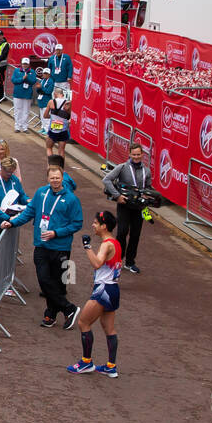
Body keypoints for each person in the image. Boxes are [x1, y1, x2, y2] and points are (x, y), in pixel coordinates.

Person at [2, 165, 84, 328]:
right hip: (41, 245)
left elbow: (77, 223)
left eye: (57, 178)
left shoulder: (71, 199)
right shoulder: (40, 193)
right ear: (48, 178)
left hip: (60, 247)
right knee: (44, 279)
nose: (55, 180)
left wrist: (56, 233)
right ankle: (69, 308)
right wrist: (11, 222)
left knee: (58, 283)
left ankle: (50, 314)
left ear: (62, 178)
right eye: (52, 178)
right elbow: (28, 213)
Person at [67, 210, 123, 377]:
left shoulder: (106, 244)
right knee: (109, 328)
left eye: (96, 223)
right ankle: (111, 366)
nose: (93, 225)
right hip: (113, 289)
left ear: (104, 226)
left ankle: (86, 362)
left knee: (83, 323)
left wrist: (87, 247)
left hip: (103, 290)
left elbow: (97, 263)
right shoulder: (116, 242)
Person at [102, 142, 151, 273]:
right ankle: (117, 259)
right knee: (122, 232)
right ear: (129, 154)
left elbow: (148, 187)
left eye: (138, 154)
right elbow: (106, 180)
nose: (136, 157)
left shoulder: (146, 171)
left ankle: (130, 262)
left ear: (142, 155)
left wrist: (146, 195)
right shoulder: (122, 167)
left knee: (135, 235)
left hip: (139, 208)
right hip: (124, 205)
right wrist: (117, 196)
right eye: (134, 154)